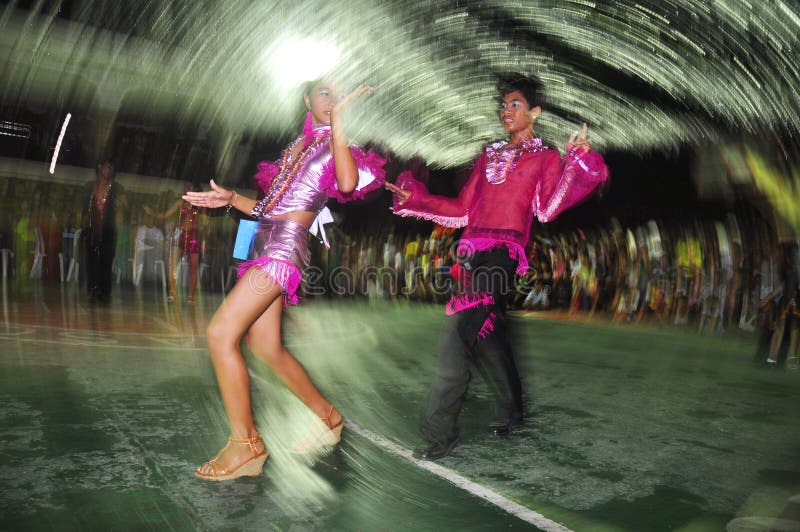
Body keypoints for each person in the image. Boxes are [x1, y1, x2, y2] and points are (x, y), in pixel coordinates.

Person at [386, 74, 609, 460]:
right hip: (470, 256)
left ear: (534, 111)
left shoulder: (545, 156)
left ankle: (441, 432)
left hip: (502, 256)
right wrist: (416, 199)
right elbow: (460, 210)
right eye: (504, 105)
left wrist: (577, 161)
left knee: (458, 334)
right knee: (488, 333)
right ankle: (513, 408)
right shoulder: (488, 155)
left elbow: (549, 207)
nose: (507, 111)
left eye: (516, 104)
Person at [182, 80, 384, 481]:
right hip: (262, 243)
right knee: (265, 346)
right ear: (307, 99)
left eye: (337, 94)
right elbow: (266, 208)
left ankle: (245, 445)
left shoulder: (336, 146)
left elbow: (345, 185)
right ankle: (327, 418)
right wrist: (231, 201)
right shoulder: (294, 148)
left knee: (221, 334)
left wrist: (340, 124)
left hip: (281, 251)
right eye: (324, 93)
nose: (332, 100)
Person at [145, 182, 203, 302]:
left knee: (193, 268)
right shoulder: (179, 203)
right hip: (182, 236)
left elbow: (205, 222)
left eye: (189, 186)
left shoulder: (200, 205)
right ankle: (172, 293)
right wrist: (152, 213)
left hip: (194, 237)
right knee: (172, 265)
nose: (186, 188)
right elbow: (164, 215)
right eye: (185, 186)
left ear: (195, 189)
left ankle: (191, 296)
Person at [83, 159, 127, 303]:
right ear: (100, 167)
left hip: (109, 229)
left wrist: (122, 205)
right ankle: (92, 290)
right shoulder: (90, 186)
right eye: (107, 167)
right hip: (92, 228)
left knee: (106, 261)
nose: (109, 170)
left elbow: (126, 207)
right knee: (91, 260)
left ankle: (104, 291)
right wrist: (84, 225)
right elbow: (85, 209)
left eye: (111, 167)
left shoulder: (117, 187)